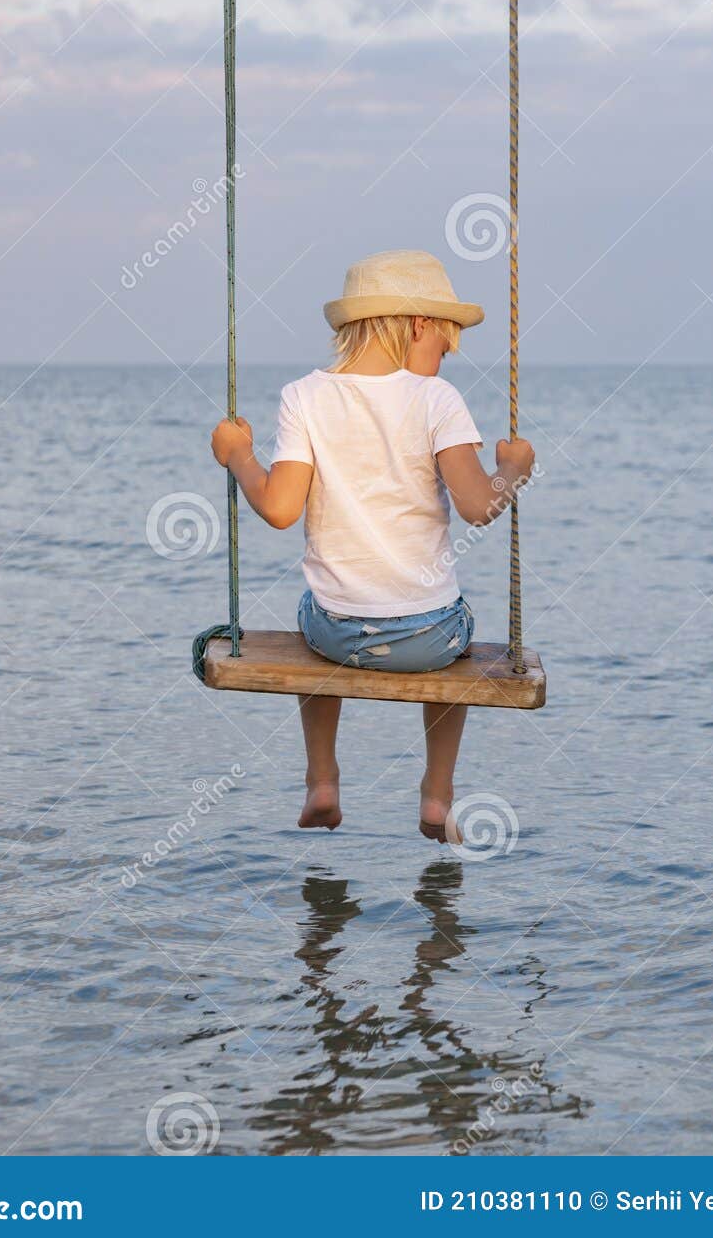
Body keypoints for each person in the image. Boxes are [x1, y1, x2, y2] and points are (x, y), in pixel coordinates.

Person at [210, 249, 534, 839]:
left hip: (336, 636)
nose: (443, 361)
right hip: (431, 638)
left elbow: (279, 508)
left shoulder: (303, 395)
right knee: (460, 628)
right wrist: (512, 469)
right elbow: (476, 506)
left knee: (312, 608)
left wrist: (239, 456)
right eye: (444, 347)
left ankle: (322, 780)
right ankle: (437, 794)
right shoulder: (437, 400)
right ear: (418, 325)